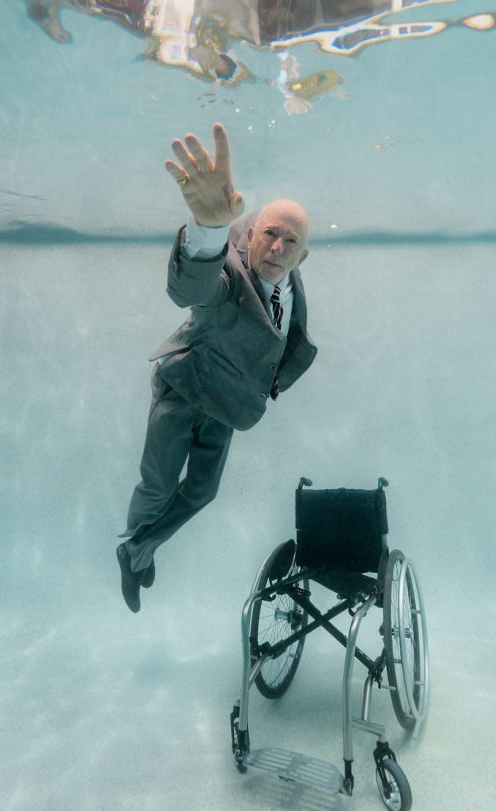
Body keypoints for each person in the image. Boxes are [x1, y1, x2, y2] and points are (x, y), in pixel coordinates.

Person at [117, 122, 317, 613]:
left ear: (303, 254)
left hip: (227, 404)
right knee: (159, 484)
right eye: (269, 234)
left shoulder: (292, 287)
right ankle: (135, 541)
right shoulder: (229, 273)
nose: (276, 248)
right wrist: (206, 230)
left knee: (202, 492)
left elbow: (285, 342)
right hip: (185, 389)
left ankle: (139, 548)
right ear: (250, 233)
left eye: (290, 242)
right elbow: (193, 289)